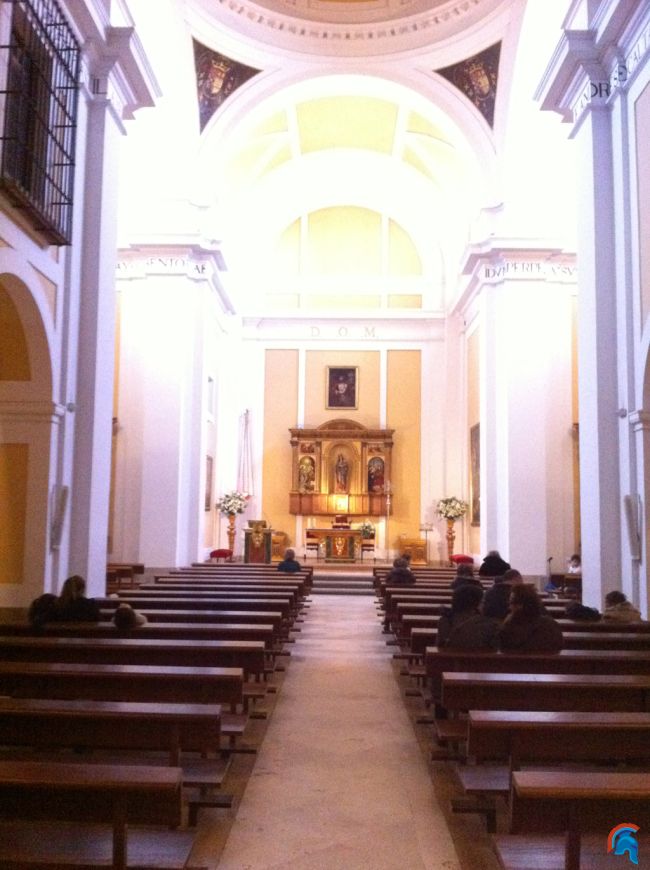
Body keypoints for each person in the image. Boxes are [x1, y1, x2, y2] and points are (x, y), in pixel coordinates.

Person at [498, 584, 563, 653]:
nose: (509, 607)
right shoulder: (551, 625)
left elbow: (502, 647)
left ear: (520, 606)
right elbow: (559, 645)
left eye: (511, 603)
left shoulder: (509, 627)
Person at [437, 584, 499, 651]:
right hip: (479, 657)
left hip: (449, 657)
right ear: (476, 604)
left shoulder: (446, 620)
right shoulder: (488, 624)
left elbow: (439, 645)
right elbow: (495, 648)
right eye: (482, 602)